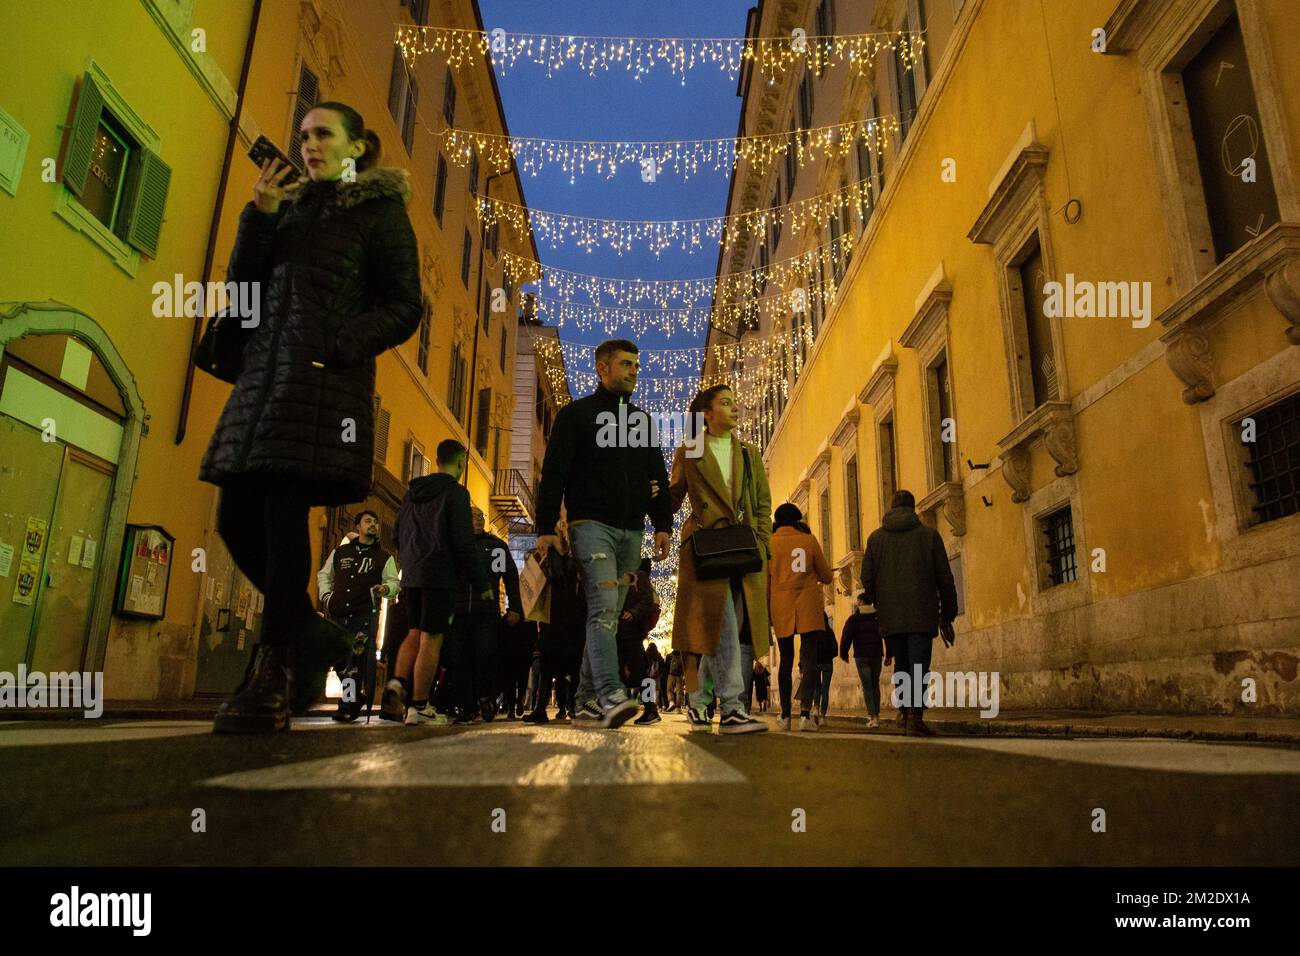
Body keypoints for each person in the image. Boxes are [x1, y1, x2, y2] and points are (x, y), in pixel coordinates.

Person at [202, 101, 423, 734]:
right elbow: (242, 295)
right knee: (235, 515)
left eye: (323, 134)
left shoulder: (379, 212)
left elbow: (405, 304)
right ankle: (309, 633)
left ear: (359, 147)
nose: (308, 145)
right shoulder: (288, 209)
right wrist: (259, 217)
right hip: (263, 381)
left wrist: (342, 342)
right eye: (302, 135)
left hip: (325, 383)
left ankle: (272, 665)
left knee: (280, 508)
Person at [534, 339, 672, 729]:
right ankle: (611, 693)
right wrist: (546, 528)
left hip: (632, 531)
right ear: (602, 368)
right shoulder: (576, 415)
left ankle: (584, 701)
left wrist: (662, 523)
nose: (633, 371)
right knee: (602, 608)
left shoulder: (641, 422)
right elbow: (554, 474)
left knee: (609, 614)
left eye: (636, 365)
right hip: (590, 525)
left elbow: (656, 476)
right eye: (626, 364)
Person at [669, 384, 770, 735]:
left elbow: (761, 505)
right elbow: (673, 497)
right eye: (725, 403)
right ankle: (729, 707)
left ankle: (700, 704)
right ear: (706, 414)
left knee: (721, 630)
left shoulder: (748, 454)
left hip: (741, 548)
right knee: (714, 627)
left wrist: (763, 546)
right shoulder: (690, 450)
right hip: (704, 546)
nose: (735, 408)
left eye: (735, 403)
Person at [388, 439, 492, 726]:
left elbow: (396, 535)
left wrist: (410, 559)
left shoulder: (411, 494)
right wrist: (481, 583)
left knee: (413, 631)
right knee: (431, 639)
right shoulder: (456, 494)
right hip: (439, 575)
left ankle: (397, 682)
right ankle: (419, 706)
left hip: (411, 574)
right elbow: (463, 542)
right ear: (460, 463)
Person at [861, 489, 960, 737]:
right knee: (919, 666)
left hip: (891, 615)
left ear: (892, 508)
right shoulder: (929, 536)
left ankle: (905, 713)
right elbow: (944, 578)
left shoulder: (876, 540)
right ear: (913, 507)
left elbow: (867, 578)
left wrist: (878, 599)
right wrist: (948, 611)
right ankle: (915, 715)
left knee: (902, 665)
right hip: (921, 612)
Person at [317, 511, 399, 722]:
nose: (373, 525)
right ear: (358, 527)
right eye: (368, 521)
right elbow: (324, 575)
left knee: (353, 663)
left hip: (363, 616)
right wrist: (326, 596)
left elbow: (394, 583)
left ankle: (346, 706)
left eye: (375, 521)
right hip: (338, 614)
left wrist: (385, 588)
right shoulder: (341, 552)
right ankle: (355, 700)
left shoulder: (384, 557)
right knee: (337, 659)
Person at [447, 506, 522, 724]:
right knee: (459, 659)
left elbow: (510, 577)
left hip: (486, 613)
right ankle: (466, 706)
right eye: (473, 517)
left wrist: (515, 607)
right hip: (458, 612)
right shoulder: (455, 546)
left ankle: (485, 697)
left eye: (481, 517)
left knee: (486, 655)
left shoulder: (496, 547)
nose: (478, 520)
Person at [767, 503, 834, 731]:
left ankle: (785, 715)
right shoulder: (809, 540)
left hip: (781, 605)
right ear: (797, 520)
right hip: (808, 605)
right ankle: (806, 715)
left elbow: (765, 582)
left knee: (785, 661)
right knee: (810, 660)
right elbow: (825, 576)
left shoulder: (769, 543)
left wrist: (767, 611)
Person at [524, 521, 586, 724]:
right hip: (568, 620)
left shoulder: (551, 559)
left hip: (559, 620)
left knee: (549, 668)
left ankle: (542, 708)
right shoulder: (573, 559)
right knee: (568, 667)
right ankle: (573, 708)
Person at [617, 558, 661, 725]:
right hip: (622, 632)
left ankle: (651, 710)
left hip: (632, 632)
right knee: (622, 671)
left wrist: (632, 613)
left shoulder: (639, 576)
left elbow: (646, 601)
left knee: (641, 672)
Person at [839, 593, 884, 728]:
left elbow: (846, 636)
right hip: (876, 655)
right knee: (875, 685)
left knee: (867, 686)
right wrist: (889, 655)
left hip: (862, 657)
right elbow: (886, 634)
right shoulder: (878, 617)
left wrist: (843, 653)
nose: (857, 603)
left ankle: (873, 717)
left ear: (862, 602)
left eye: (858, 601)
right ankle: (877, 715)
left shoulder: (854, 619)